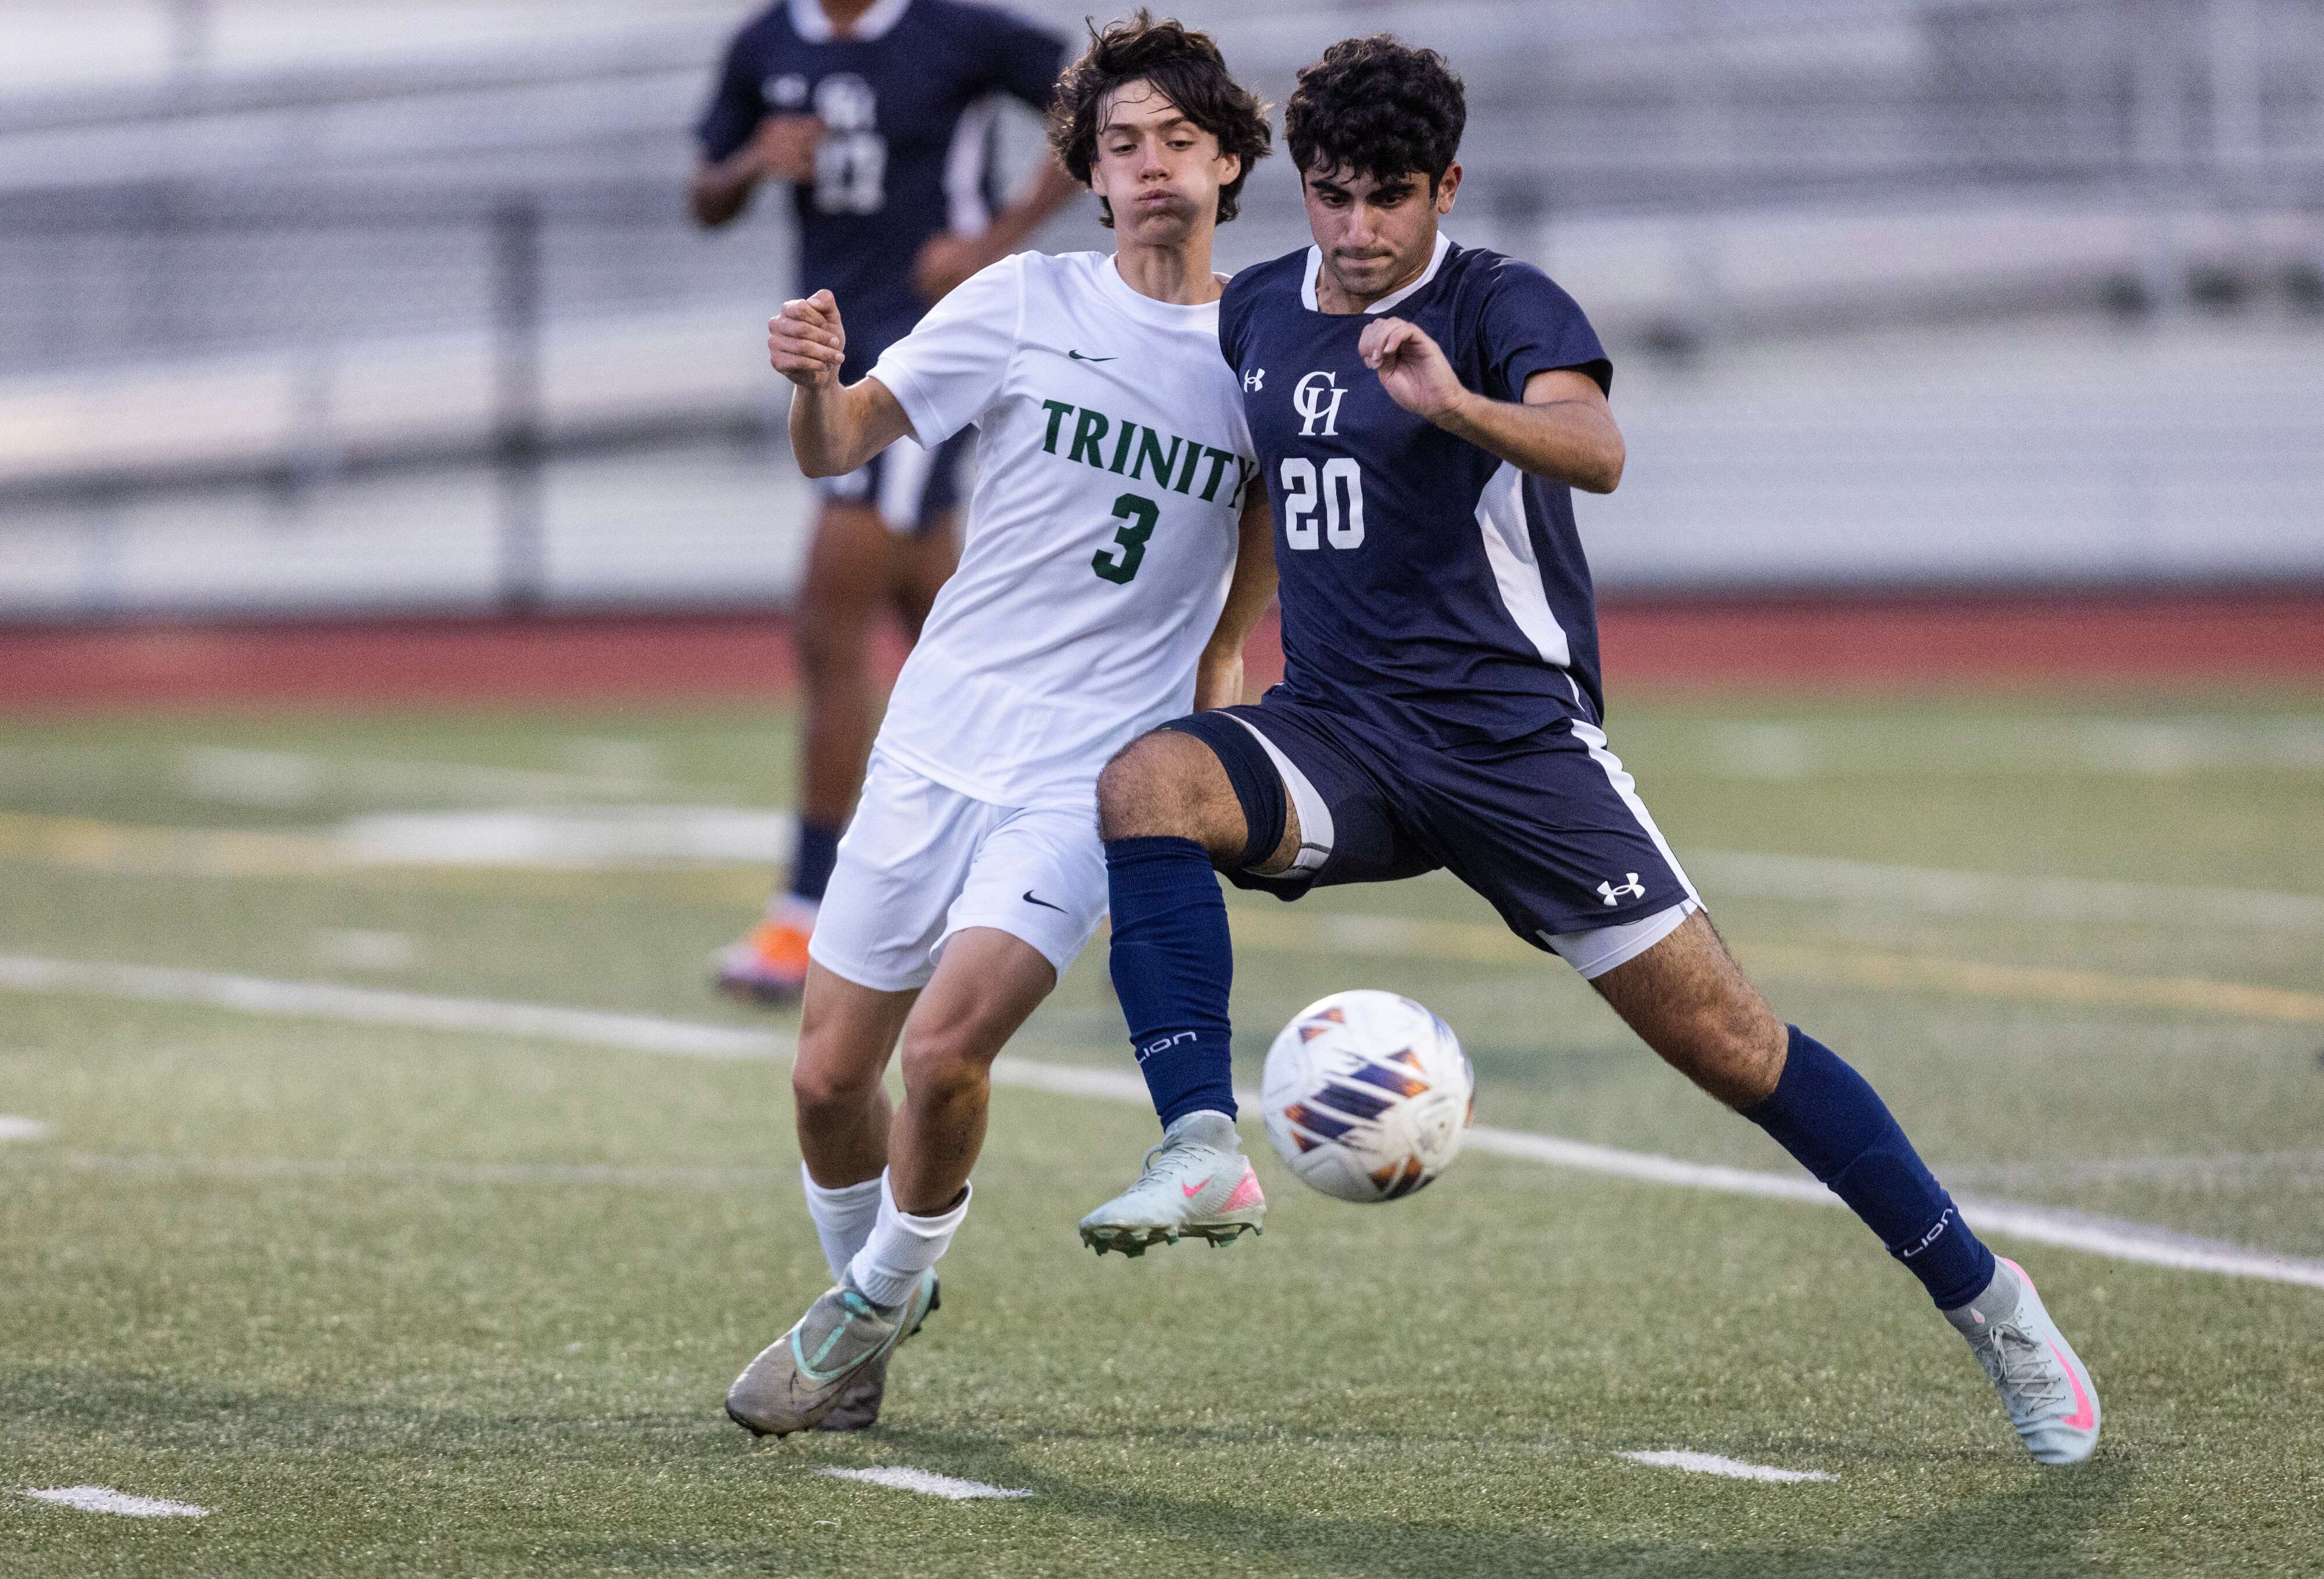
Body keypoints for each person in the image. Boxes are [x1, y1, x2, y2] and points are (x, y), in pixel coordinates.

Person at [1074, 35, 2103, 1467]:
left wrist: (1451, 404)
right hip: (1341, 734)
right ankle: (1197, 1145)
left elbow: (1596, 446)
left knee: (1734, 1046)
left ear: (1444, 186)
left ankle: (1989, 1303)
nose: (1358, 231)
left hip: (1512, 748)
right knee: (1146, 784)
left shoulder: (1499, 301)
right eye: (1330, 196)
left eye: (1387, 197)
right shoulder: (1256, 308)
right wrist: (1228, 653)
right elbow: (1262, 479)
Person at [722, 12, 1276, 1437]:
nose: (1150, 167)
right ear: (1089, 176)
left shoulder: (1265, 350)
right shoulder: (1020, 301)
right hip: (935, 736)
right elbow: (843, 444)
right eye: (1120, 145)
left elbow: (1245, 579)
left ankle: (874, 1298)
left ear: (1227, 160)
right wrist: (807, 385)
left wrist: (1215, 718)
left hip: (1089, 775)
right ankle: (865, 1327)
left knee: (944, 1057)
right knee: (825, 1077)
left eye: (1176, 141)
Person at [692, 0, 1084, 1003]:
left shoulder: (953, 31)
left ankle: (804, 910)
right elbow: (704, 192)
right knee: (955, 632)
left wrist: (998, 239)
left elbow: (1094, 96)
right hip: (832, 346)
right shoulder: (766, 41)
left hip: (929, 352)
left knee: (828, 622)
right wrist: (749, 165)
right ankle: (1071, 861)